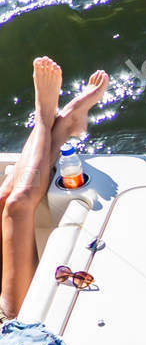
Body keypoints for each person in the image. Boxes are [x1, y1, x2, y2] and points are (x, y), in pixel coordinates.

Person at [0, 58, 109, 319]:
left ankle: (60, 128)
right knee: (18, 206)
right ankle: (47, 120)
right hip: (10, 325)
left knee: (3, 198)